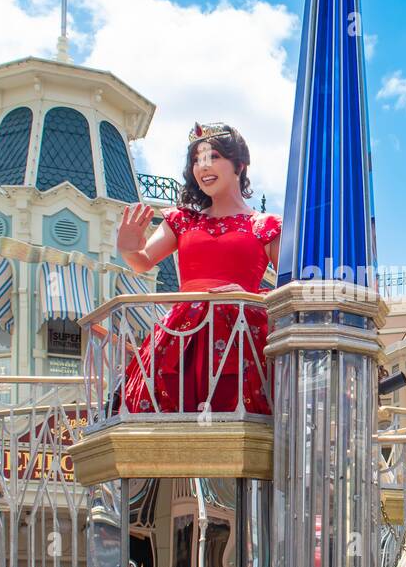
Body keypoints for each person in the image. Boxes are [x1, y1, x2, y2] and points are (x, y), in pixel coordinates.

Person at [115, 123, 281, 415]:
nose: (203, 166)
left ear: (239, 165)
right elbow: (142, 261)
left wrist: (249, 298)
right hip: (182, 336)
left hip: (239, 337)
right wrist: (129, 248)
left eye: (213, 156)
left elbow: (291, 292)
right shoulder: (182, 220)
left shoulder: (266, 226)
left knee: (234, 414)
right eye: (196, 160)